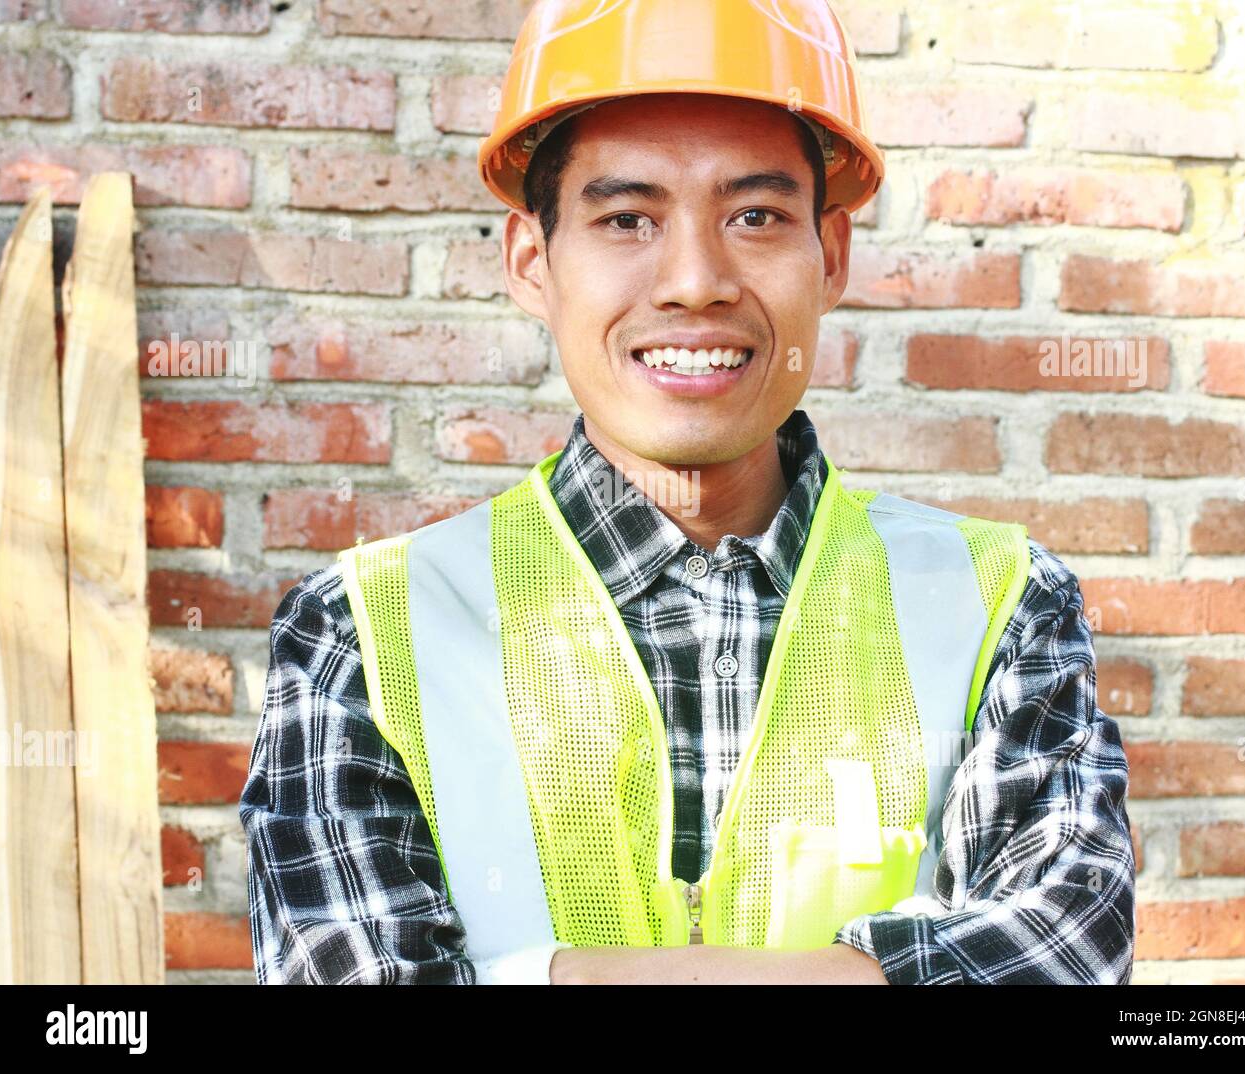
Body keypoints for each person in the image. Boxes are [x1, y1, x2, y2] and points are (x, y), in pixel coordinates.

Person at [241, 0, 1135, 985]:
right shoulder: (364, 635)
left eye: (754, 216)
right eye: (626, 218)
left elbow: (1062, 954)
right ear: (532, 263)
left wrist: (543, 975)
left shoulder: (1000, 602)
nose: (696, 281)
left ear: (829, 256)